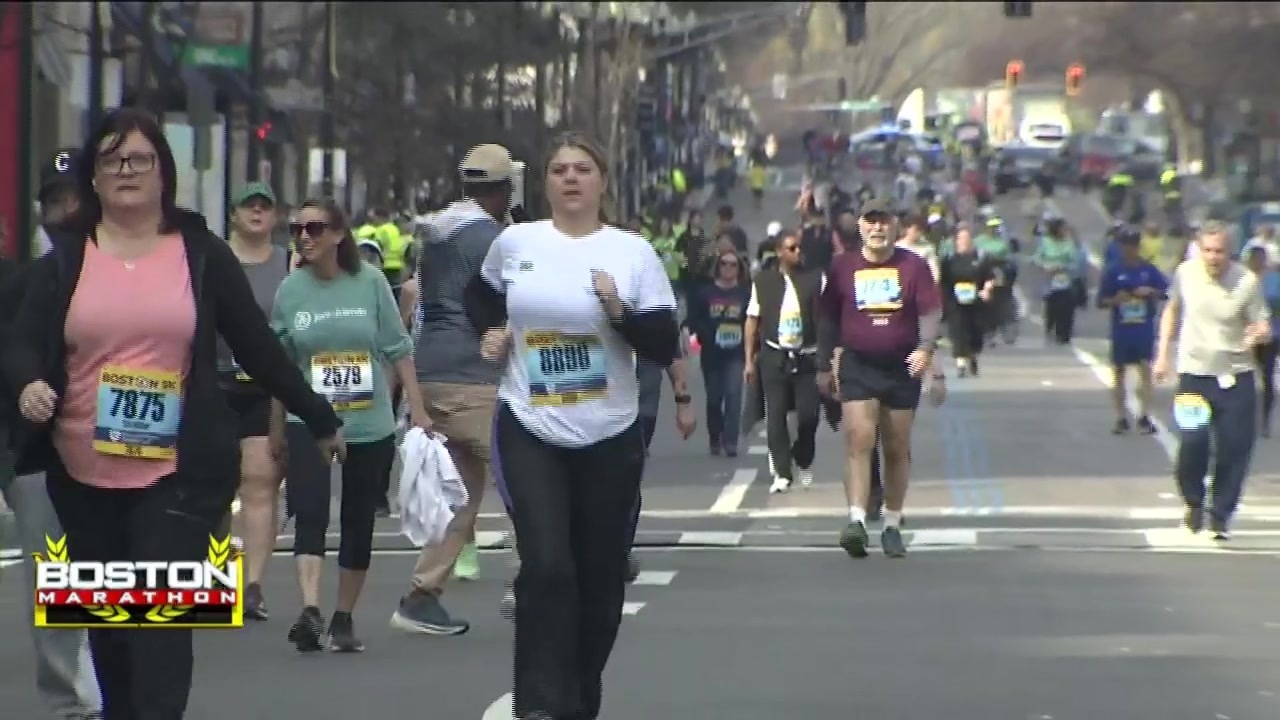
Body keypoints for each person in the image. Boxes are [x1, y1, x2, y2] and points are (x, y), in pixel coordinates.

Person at [4, 107, 343, 719]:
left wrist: (317, 416)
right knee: (112, 636)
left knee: (160, 631)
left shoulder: (201, 253)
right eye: (111, 160)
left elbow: (258, 346)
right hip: (80, 473)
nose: (126, 170)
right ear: (93, 177)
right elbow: (23, 340)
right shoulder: (68, 257)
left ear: (163, 171)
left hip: (181, 472)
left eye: (139, 158)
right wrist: (29, 384)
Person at [464, 132, 678, 720]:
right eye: (559, 169)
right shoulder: (517, 242)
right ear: (546, 183)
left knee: (600, 578)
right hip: (530, 423)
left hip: (609, 432)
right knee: (547, 566)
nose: (571, 178)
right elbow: (478, 296)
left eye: (583, 168)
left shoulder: (632, 252)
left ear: (602, 181)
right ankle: (538, 703)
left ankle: (580, 697)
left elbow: (663, 342)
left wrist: (618, 312)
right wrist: (492, 333)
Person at [270, 197, 428, 653]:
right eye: (297, 229)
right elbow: (280, 366)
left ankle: (343, 616)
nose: (304, 237)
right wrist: (276, 426)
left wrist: (418, 410)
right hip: (308, 419)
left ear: (339, 234)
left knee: (359, 520)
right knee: (310, 511)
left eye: (315, 228)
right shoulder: (290, 290)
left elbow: (398, 349)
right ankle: (310, 610)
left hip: (368, 422)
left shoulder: (371, 282)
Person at [391, 143, 513, 636]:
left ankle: (422, 595)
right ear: (504, 189)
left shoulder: (439, 233)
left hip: (430, 370)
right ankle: (536, 584)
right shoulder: (493, 238)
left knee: (463, 495)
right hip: (474, 374)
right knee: (527, 478)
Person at [1, 148, 103, 720]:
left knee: (121, 572)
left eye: (75, 198)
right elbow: (13, 352)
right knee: (54, 576)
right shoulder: (27, 282)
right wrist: (25, 392)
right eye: (54, 201)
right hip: (42, 453)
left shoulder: (137, 275)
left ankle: (127, 687)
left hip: (123, 446)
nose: (65, 211)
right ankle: (72, 703)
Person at [817, 198, 944, 559]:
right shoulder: (843, 266)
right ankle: (856, 521)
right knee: (859, 437)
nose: (877, 228)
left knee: (896, 446)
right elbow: (826, 318)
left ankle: (892, 523)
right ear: (860, 226)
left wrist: (925, 349)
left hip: (901, 367)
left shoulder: (914, 265)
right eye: (870, 221)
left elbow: (930, 311)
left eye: (883, 221)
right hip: (858, 364)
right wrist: (824, 364)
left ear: (895, 226)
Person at [1154, 222, 1270, 539]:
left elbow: (1262, 324)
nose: (1213, 258)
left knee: (1233, 449)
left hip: (1236, 376)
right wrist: (1162, 355)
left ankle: (1220, 516)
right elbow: (1172, 311)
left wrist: (1257, 334)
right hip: (1194, 376)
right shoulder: (1186, 274)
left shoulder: (1246, 281)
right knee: (1193, 444)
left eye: (1219, 251)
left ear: (1230, 251)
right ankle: (1194, 503)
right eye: (1207, 250)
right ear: (1199, 249)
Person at [219, 181, 290, 621]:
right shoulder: (213, 258)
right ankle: (214, 576)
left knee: (260, 482)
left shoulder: (288, 263)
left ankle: (252, 585)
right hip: (215, 383)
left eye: (265, 206)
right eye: (250, 206)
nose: (257, 212)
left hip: (265, 387)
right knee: (213, 486)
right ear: (234, 214)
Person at [744, 229, 823, 494]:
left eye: (800, 247)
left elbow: (826, 318)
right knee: (775, 415)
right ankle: (782, 471)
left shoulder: (814, 278)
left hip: (807, 356)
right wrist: (749, 360)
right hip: (774, 356)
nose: (798, 252)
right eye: (791, 248)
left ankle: (803, 456)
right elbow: (752, 320)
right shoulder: (763, 281)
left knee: (809, 415)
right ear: (779, 252)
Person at [1097, 228, 1166, 435]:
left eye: (1133, 245)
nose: (1129, 249)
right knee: (1118, 371)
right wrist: (1116, 300)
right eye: (1126, 245)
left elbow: (1166, 291)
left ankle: (1144, 416)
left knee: (1145, 369)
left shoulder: (1148, 270)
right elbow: (1101, 301)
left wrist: (1150, 291)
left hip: (1143, 329)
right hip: (1121, 330)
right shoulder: (1113, 271)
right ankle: (1120, 417)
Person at [688, 248, 751, 456]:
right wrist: (705, 335)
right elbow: (694, 320)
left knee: (734, 395)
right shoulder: (705, 293)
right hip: (712, 353)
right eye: (724, 263)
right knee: (714, 398)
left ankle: (730, 441)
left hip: (736, 353)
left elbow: (752, 321)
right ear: (717, 266)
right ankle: (715, 436)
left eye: (733, 264)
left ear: (739, 268)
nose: (728, 268)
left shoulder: (745, 294)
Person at [939, 225, 996, 377]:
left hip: (976, 301)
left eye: (967, 239)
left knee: (975, 331)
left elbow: (990, 277)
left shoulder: (981, 257)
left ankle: (973, 356)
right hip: (955, 301)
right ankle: (961, 364)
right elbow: (942, 280)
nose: (964, 241)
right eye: (961, 239)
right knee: (957, 331)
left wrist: (986, 290)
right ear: (956, 241)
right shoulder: (949, 259)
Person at [1035, 218, 1079, 345]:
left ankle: (1064, 334)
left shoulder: (1069, 243)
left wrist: (1064, 267)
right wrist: (1046, 266)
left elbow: (1075, 261)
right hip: (1050, 279)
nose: (1065, 231)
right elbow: (1038, 258)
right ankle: (1050, 326)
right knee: (1052, 305)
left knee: (1066, 306)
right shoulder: (1046, 242)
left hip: (1065, 278)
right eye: (1063, 228)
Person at [1255, 246, 1280, 437]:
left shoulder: (1272, 280)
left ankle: (1264, 421)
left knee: (1267, 377)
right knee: (1263, 378)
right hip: (1256, 337)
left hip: (1270, 335)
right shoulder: (1242, 280)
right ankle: (1262, 421)